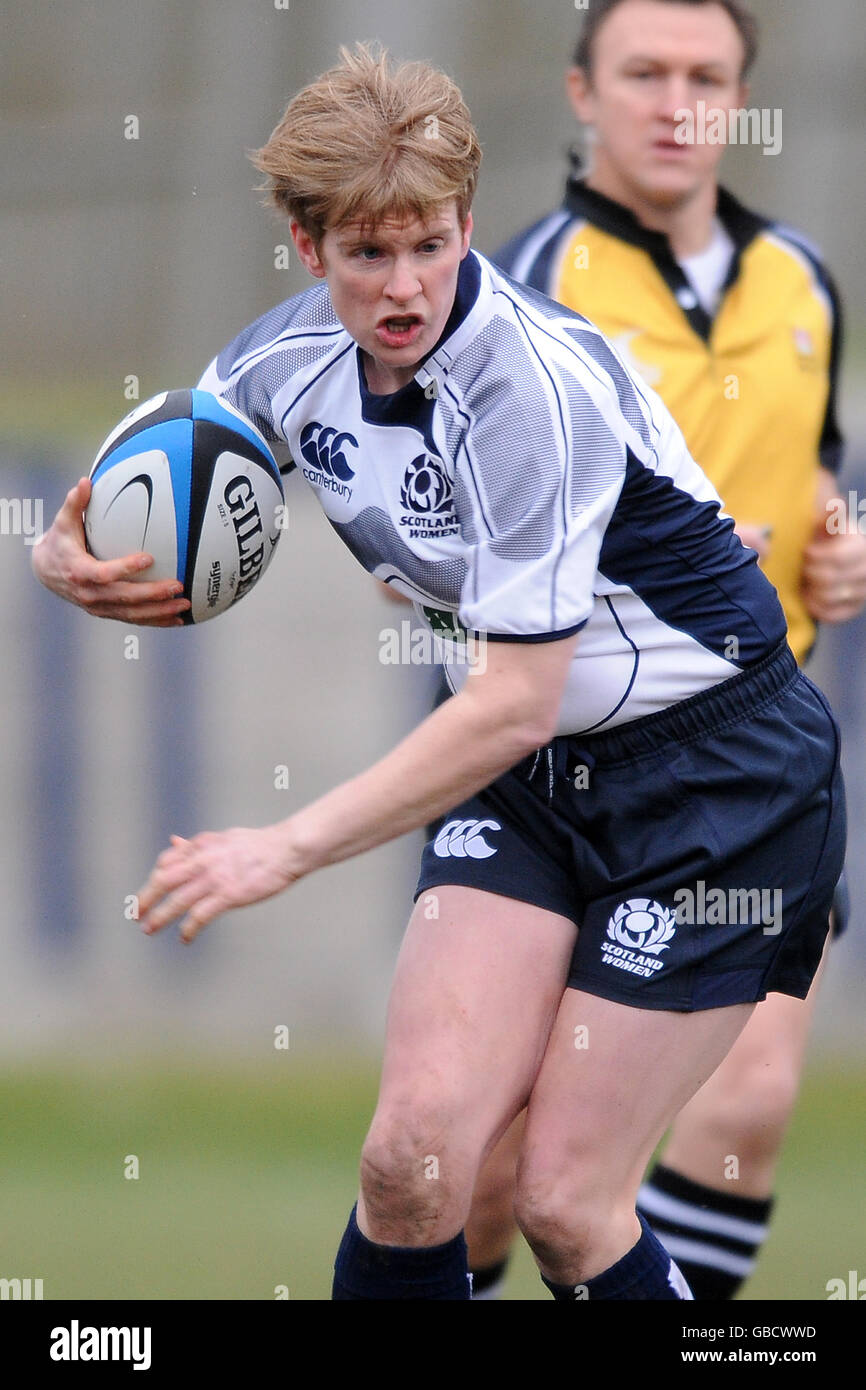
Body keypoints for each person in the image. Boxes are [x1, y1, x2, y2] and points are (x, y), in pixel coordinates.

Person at [32, 43, 846, 1301]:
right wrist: (65, 554)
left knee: (567, 1205)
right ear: (308, 249)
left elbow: (513, 699)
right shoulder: (276, 365)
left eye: (429, 244)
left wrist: (285, 844)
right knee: (412, 1164)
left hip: (718, 782)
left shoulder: (528, 384)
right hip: (537, 777)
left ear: (467, 222)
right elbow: (161, 489)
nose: (404, 285)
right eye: (366, 254)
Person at [463, 0, 866, 1301]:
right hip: (571, 762)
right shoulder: (525, 286)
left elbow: (814, 465)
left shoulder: (800, 278)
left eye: (706, 75)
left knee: (743, 1106)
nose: (674, 99)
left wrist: (839, 536)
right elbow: (466, 538)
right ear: (582, 93)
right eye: (643, 71)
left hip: (753, 767)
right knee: (487, 1166)